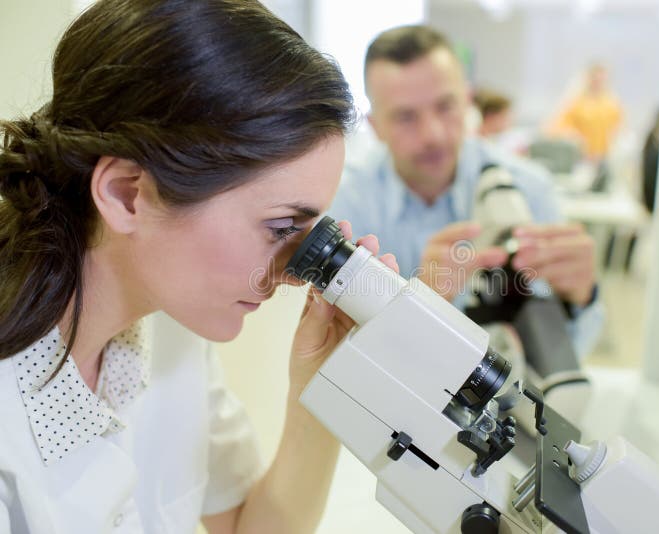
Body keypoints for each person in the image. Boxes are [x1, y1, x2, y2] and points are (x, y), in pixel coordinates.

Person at [0, 1, 398, 533]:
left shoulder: (171, 333)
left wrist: (323, 391)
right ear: (125, 195)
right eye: (281, 228)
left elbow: (245, 527)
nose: (296, 273)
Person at [329, 25, 603, 358]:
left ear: (468, 102)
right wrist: (415, 311)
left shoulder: (530, 189)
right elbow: (334, 357)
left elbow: (570, 353)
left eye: (446, 106)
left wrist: (582, 298)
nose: (432, 134)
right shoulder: (345, 207)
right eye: (405, 117)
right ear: (375, 127)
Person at [547, 62, 623, 162]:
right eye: (595, 79)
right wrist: (572, 136)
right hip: (581, 157)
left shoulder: (611, 103)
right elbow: (555, 127)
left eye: (601, 80)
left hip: (603, 157)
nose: (598, 83)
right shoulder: (575, 102)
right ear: (588, 79)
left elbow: (619, 128)